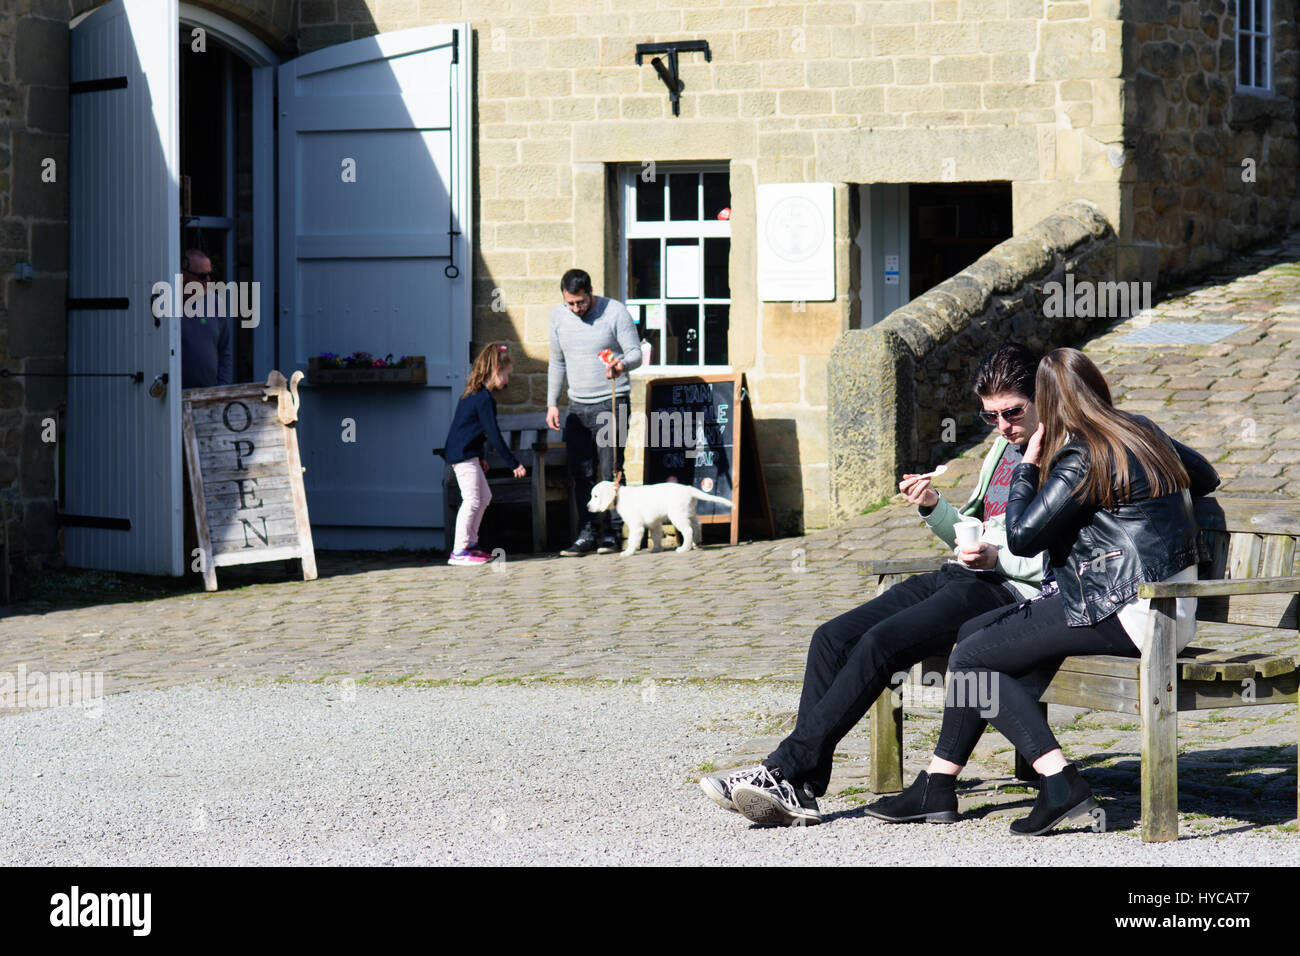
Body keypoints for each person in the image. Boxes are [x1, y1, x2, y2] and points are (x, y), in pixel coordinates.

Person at [864, 347, 1220, 835]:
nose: (1011, 423)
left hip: (1132, 610)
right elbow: (1207, 476)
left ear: (1048, 401)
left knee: (971, 658)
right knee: (973, 632)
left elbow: (1022, 536)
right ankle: (938, 783)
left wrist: (1027, 467)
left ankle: (1061, 785)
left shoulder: (1083, 453)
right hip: (1155, 605)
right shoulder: (1137, 429)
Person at [704, 343, 1047, 827]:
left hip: (1006, 590)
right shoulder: (1002, 448)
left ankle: (781, 769)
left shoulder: (1059, 451)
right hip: (963, 574)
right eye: (991, 416)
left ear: (1043, 396)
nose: (1003, 426)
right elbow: (971, 532)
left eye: (1012, 412)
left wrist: (996, 555)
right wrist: (932, 505)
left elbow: (1051, 550)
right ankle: (802, 787)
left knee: (881, 642)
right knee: (831, 637)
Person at [546, 269, 643, 556]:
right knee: (581, 473)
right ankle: (586, 533)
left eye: (581, 302)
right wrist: (552, 402)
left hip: (611, 403)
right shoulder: (558, 317)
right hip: (577, 405)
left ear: (591, 292)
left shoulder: (615, 312)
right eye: (570, 303)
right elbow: (557, 362)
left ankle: (613, 534)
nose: (576, 309)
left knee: (611, 471)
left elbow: (636, 353)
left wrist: (622, 365)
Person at [443, 343, 527, 567]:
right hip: (462, 456)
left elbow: (472, 430)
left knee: (484, 497)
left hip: (468, 454)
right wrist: (513, 463)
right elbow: (493, 433)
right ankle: (459, 550)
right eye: (507, 375)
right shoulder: (483, 399)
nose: (507, 381)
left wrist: (480, 456)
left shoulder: (474, 395)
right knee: (471, 500)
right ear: (497, 369)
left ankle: (471, 544)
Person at [179, 248, 234, 389]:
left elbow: (225, 349)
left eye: (210, 275)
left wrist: (222, 387)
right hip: (175, 396)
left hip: (209, 394)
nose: (208, 280)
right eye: (202, 276)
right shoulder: (168, 305)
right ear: (183, 275)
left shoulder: (215, 303)